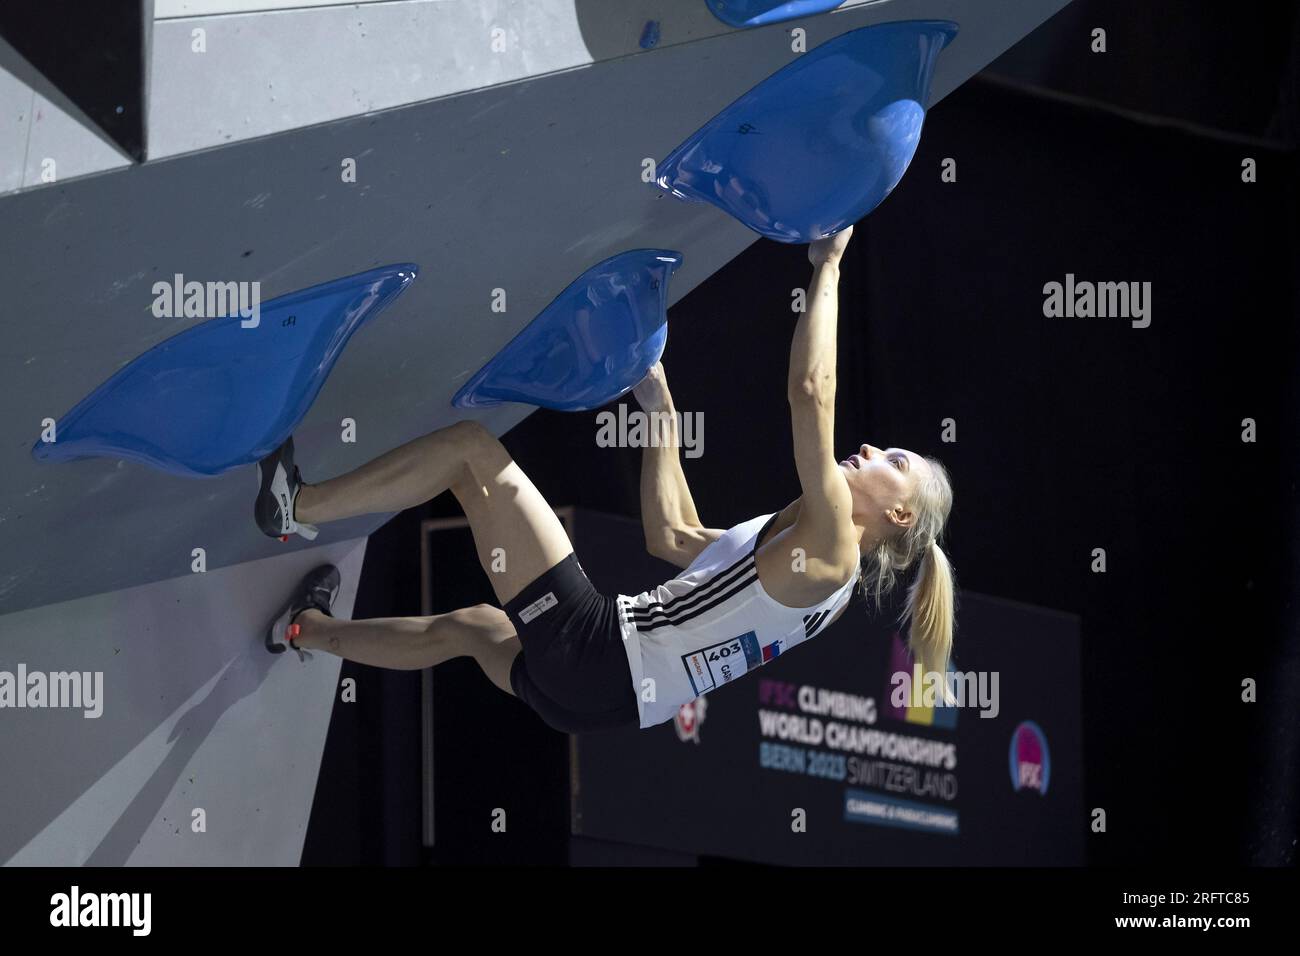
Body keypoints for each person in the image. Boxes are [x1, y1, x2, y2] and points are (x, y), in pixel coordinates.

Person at [258, 226, 956, 732]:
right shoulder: (806, 566)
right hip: (600, 703)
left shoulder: (833, 550)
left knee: (472, 455)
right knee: (470, 628)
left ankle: (298, 504)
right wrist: (664, 413)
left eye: (895, 463)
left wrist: (829, 265)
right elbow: (671, 535)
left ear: (896, 518)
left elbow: (811, 391)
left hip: (601, 656)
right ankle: (304, 629)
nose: (871, 448)